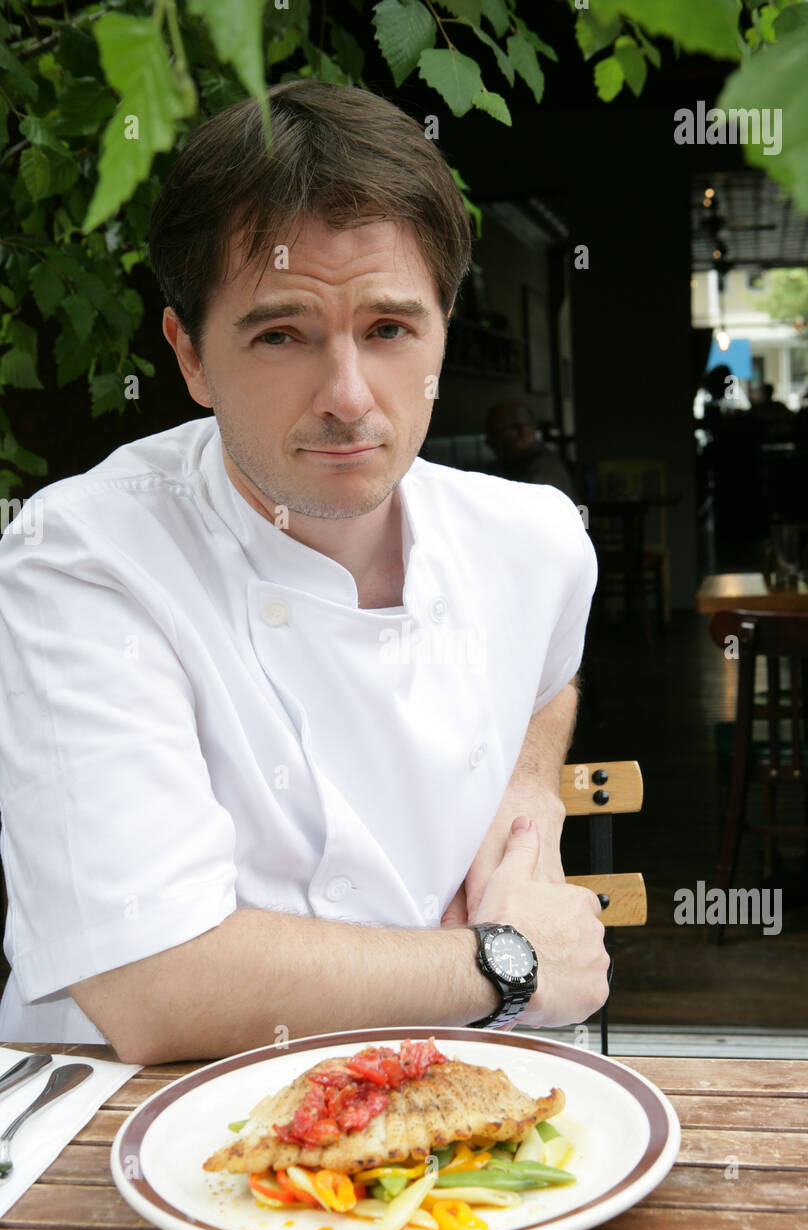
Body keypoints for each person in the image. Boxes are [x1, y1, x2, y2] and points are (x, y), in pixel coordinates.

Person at [0, 81, 606, 1063]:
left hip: (431, 1108)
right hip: (123, 1134)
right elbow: (158, 987)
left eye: (388, 329)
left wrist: (526, 795)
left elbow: (550, 679)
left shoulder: (529, 538)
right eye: (281, 333)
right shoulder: (83, 559)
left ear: (441, 331)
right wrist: (507, 961)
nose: (346, 396)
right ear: (189, 354)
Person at [485, 401, 577, 502]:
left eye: (495, 433)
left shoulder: (543, 469)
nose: (488, 442)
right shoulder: (514, 463)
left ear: (520, 431)